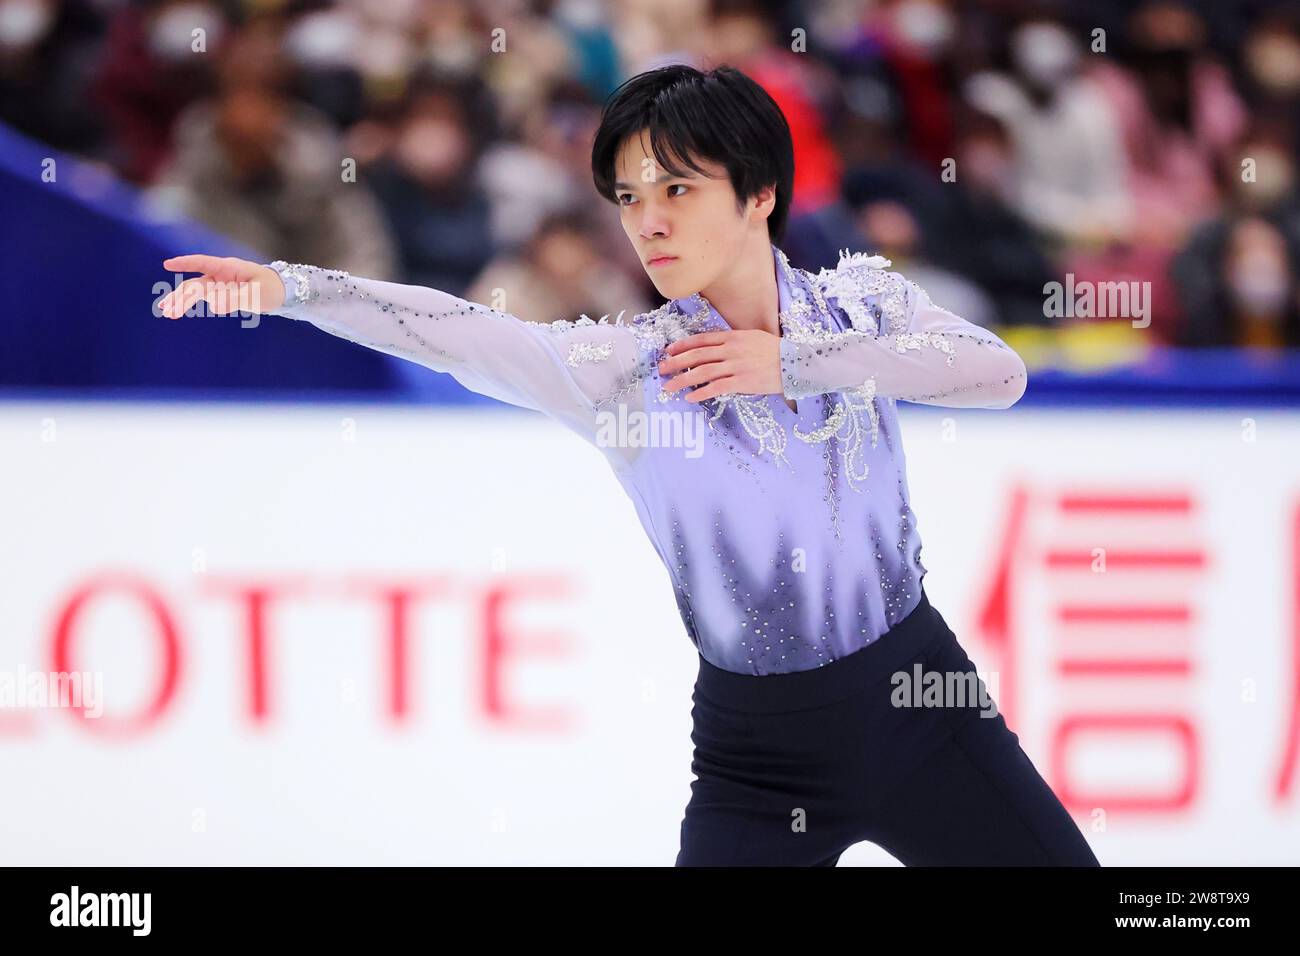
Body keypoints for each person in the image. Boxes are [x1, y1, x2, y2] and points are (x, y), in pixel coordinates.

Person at [159, 63, 1099, 867]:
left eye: (676, 190)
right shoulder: (627, 372)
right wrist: (295, 288)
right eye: (628, 198)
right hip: (759, 759)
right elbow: (460, 332)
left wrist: (795, 361)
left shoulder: (863, 307)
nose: (647, 222)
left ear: (759, 193)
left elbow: (997, 373)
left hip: (923, 709)